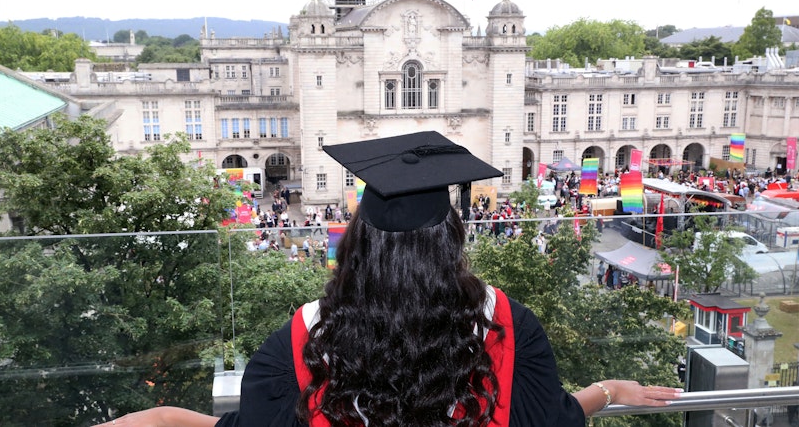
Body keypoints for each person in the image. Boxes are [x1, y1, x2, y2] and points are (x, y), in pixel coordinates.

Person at [96, 131, 680, 427]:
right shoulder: (507, 325)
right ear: (451, 238)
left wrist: (165, 418)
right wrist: (606, 392)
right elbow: (545, 422)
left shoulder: (303, 337)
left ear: (358, 240)